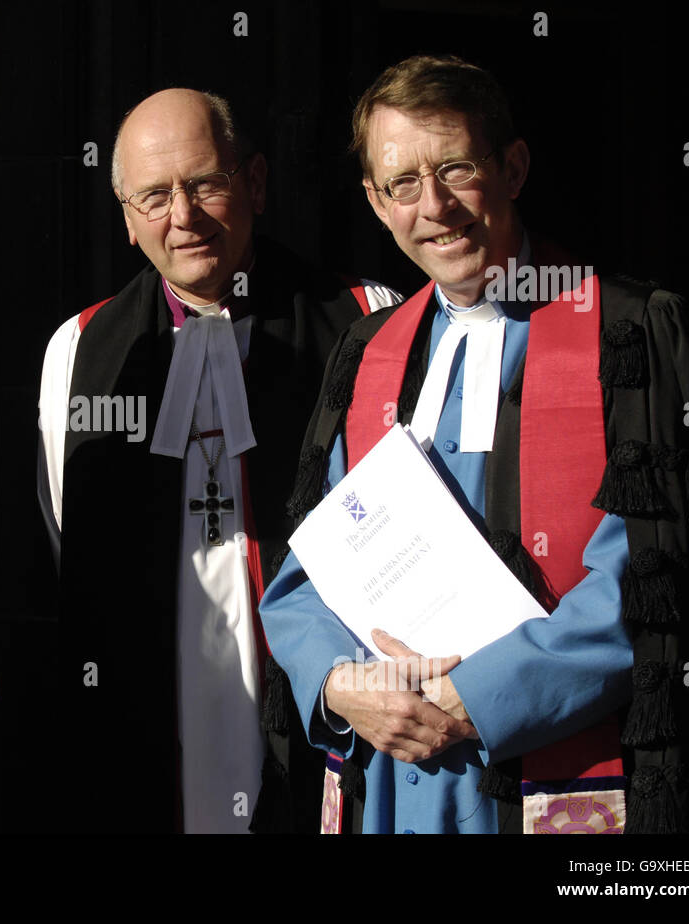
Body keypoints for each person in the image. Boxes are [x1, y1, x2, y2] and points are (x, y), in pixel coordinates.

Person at [260, 55, 689, 833]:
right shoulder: (367, 352)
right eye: (403, 185)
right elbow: (309, 570)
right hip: (389, 776)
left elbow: (656, 579)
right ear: (376, 205)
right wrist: (340, 686)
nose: (436, 206)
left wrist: (473, 701)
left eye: (456, 167)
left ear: (513, 168)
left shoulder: (630, 336)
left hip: (544, 762)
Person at [37, 88, 400, 832]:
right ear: (127, 217)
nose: (184, 216)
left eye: (206, 183)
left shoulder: (366, 320)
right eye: (155, 196)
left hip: (320, 705)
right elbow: (65, 543)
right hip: (152, 706)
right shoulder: (80, 351)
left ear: (256, 183)